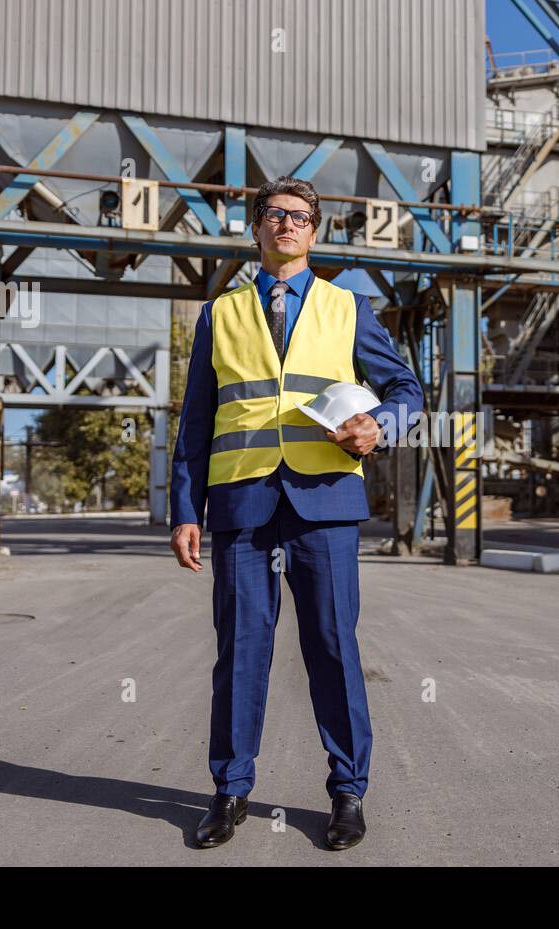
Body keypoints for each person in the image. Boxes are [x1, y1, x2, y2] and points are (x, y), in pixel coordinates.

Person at [169, 175, 424, 850]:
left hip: (324, 503)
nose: (288, 225)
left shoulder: (348, 307)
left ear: (316, 231)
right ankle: (229, 791)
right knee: (241, 653)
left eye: (301, 217)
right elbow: (196, 420)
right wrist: (183, 508)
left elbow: (406, 387)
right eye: (276, 215)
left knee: (334, 649)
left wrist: (380, 426)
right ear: (257, 228)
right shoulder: (220, 314)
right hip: (242, 504)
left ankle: (348, 793)